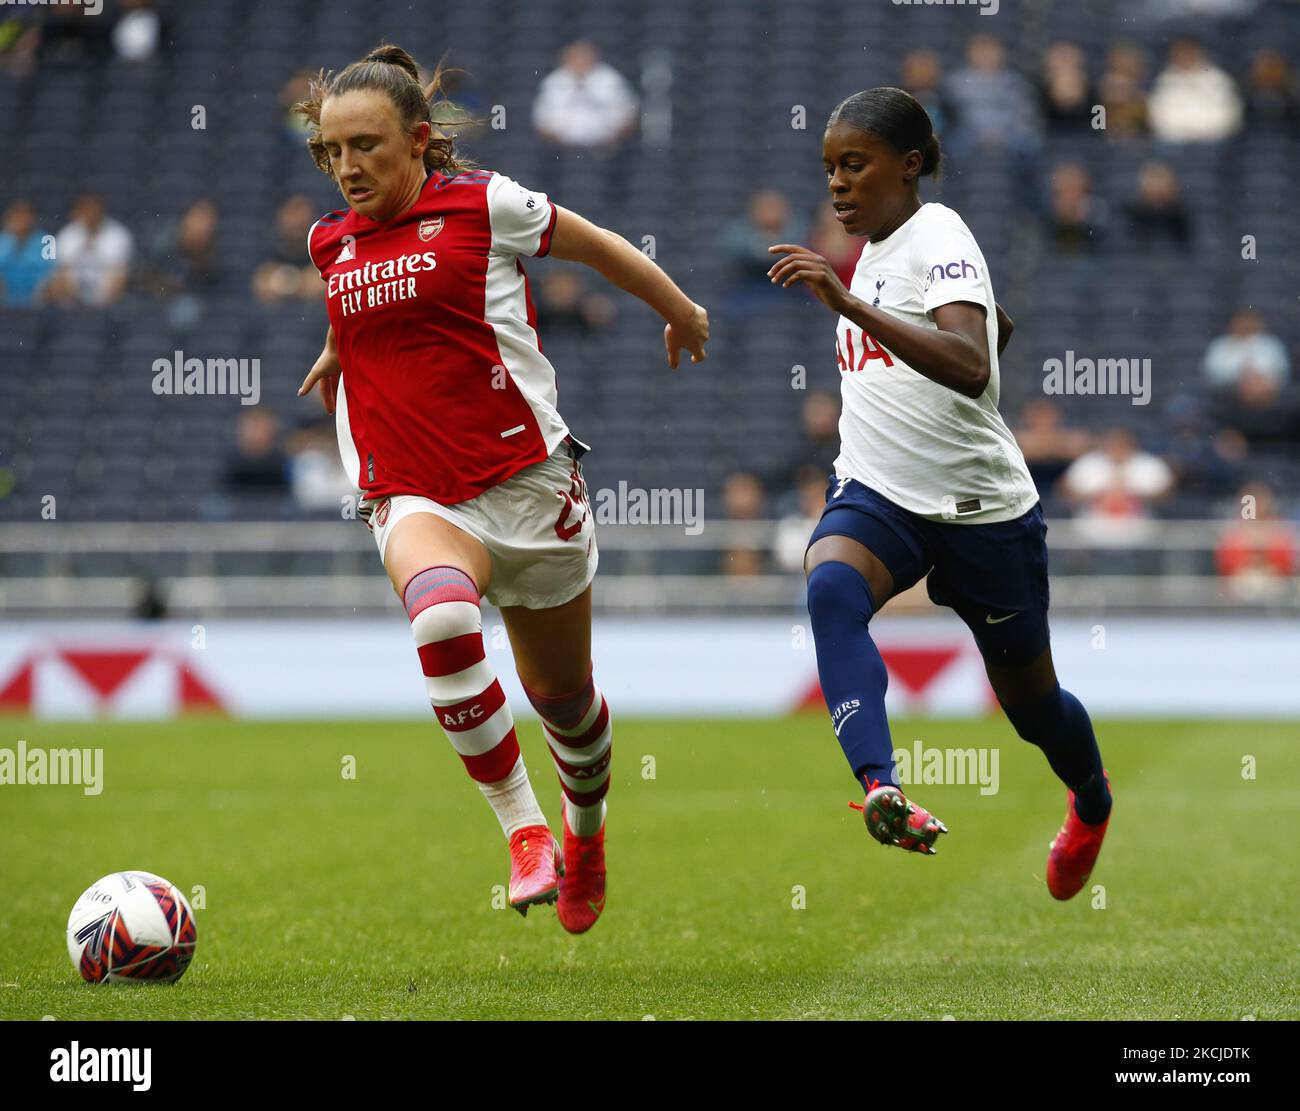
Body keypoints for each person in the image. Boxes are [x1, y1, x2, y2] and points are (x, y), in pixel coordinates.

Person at [294, 45, 708, 932]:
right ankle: (525, 831)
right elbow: (359, 304)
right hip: (415, 492)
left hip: (529, 487)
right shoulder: (330, 238)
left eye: (365, 146)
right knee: (441, 618)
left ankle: (585, 832)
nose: (347, 167)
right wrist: (338, 346)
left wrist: (678, 308)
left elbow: (595, 246)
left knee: (568, 704)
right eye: (332, 152)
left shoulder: (487, 203)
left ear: (418, 141)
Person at [766, 87, 1111, 900]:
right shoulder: (874, 254)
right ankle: (881, 783)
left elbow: (971, 364)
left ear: (910, 164)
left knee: (1031, 706)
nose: (838, 185)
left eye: (855, 164)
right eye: (828, 170)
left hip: (983, 512)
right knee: (830, 588)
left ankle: (1091, 800)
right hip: (881, 491)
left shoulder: (936, 232)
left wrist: (849, 304)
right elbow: (984, 332)